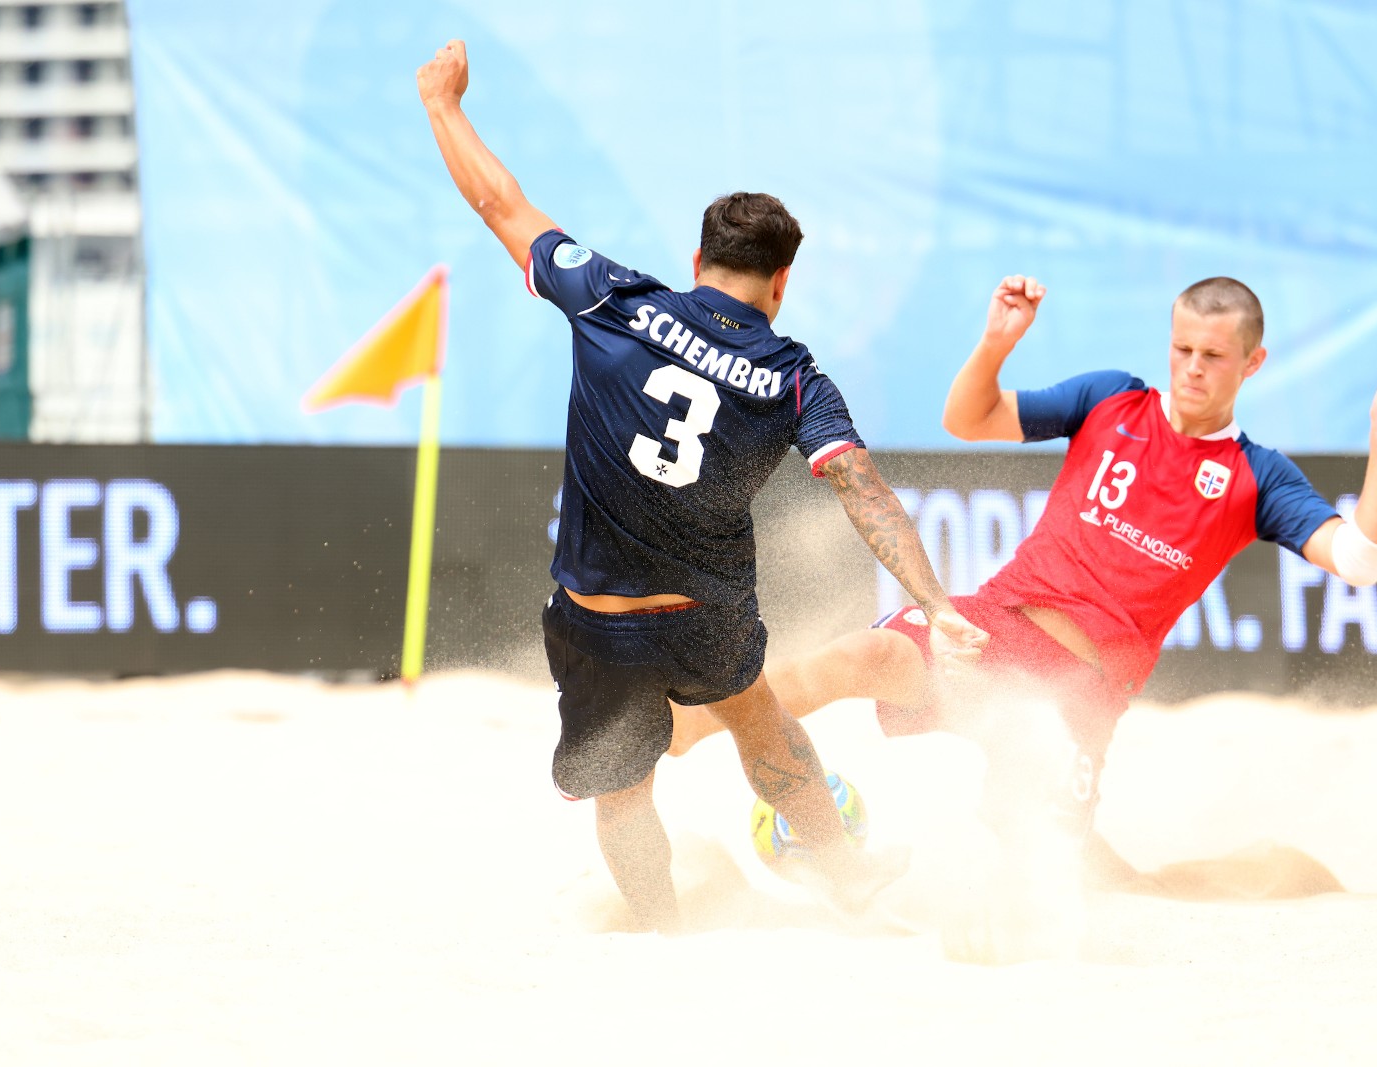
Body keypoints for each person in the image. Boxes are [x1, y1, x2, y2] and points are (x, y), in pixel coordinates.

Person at [416, 40, 987, 933]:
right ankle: (843, 870)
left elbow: (500, 202)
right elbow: (864, 492)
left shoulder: (612, 299)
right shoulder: (794, 376)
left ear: (696, 259)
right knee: (762, 723)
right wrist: (935, 602)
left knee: (622, 791)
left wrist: (444, 106)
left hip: (597, 614)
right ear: (781, 283)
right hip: (703, 614)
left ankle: (659, 923)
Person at [671, 272, 1377, 892]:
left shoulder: (1255, 476)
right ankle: (683, 727)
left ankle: (1265, 873)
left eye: (1213, 355)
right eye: (1182, 348)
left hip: (1079, 694)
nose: (1193, 368)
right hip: (995, 627)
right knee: (858, 657)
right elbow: (968, 418)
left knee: (1083, 878)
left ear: (1252, 362)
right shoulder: (1114, 399)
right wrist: (996, 344)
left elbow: (1362, 559)